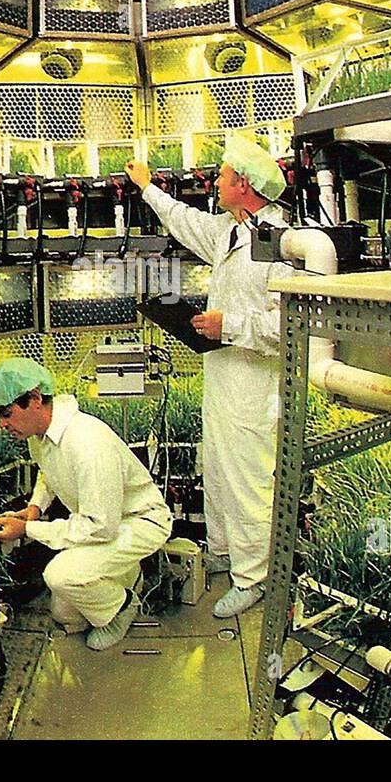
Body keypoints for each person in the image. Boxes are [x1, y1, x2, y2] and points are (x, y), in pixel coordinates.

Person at [124, 133, 293, 618]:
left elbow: (291, 326)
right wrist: (147, 187)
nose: (214, 183)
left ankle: (253, 577)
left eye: (221, 176)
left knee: (247, 479)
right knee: (217, 468)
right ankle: (224, 549)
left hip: (255, 381)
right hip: (223, 373)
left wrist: (229, 325)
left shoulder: (282, 244)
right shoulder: (229, 231)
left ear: (242, 184)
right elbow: (183, 220)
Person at [0, 357, 174, 650]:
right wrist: (35, 508)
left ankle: (123, 606)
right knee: (65, 614)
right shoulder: (40, 433)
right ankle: (127, 576)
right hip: (105, 522)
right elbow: (48, 470)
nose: (3, 424)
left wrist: (27, 529)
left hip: (138, 523)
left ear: (34, 399)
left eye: (6, 413)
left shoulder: (86, 444)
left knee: (61, 575)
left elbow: (101, 527)